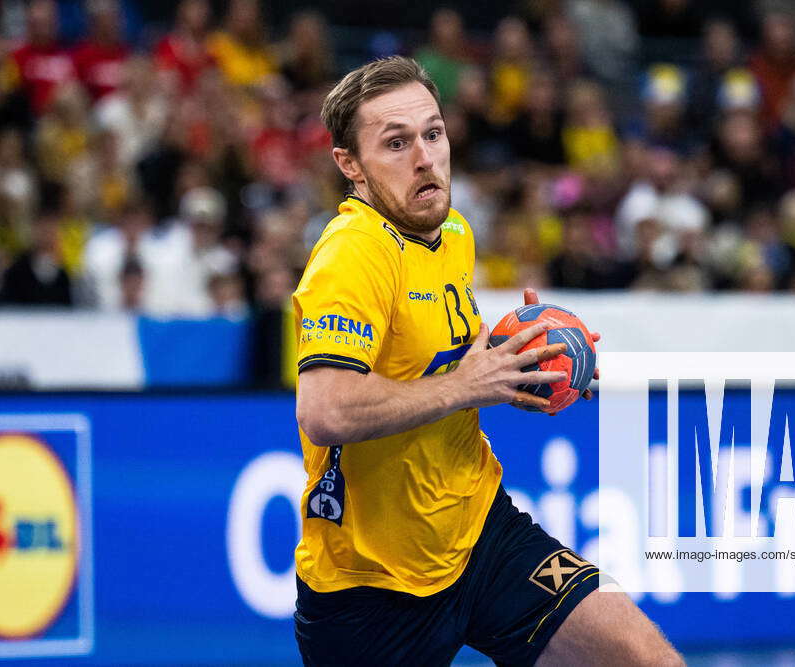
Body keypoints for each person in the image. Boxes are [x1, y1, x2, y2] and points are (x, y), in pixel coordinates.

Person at [292, 56, 683, 666]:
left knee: (644, 659)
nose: (424, 157)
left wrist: (521, 362)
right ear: (351, 165)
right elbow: (326, 409)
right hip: (368, 591)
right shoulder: (351, 257)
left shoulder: (452, 232)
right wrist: (468, 385)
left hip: (482, 535)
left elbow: (452, 360)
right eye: (395, 143)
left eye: (433, 133)